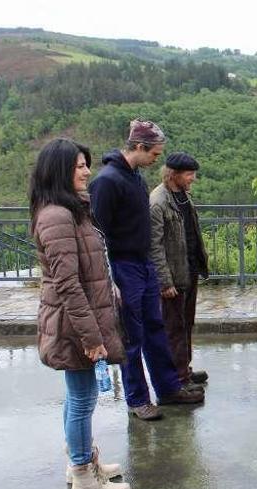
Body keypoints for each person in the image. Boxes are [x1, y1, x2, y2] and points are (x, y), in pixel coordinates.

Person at [29, 138, 131, 489]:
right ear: (59, 171)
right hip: (75, 325)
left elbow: (87, 268)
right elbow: (69, 284)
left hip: (79, 319)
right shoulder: (57, 216)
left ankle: (81, 460)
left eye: (86, 164)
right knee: (83, 399)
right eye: (79, 166)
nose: (87, 171)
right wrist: (92, 339)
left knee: (77, 398)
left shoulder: (71, 209)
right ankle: (84, 477)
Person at [88, 119, 203, 422]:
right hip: (124, 266)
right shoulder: (107, 181)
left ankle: (167, 388)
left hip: (145, 264)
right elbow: (96, 234)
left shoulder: (135, 178)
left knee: (156, 329)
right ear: (139, 147)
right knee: (131, 336)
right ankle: (137, 398)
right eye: (154, 154)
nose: (157, 160)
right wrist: (109, 277)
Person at [149, 152, 210, 390]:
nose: (193, 178)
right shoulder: (158, 202)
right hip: (173, 277)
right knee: (173, 328)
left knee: (186, 324)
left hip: (188, 272)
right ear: (173, 175)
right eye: (189, 174)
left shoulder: (183, 196)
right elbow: (154, 246)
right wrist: (164, 282)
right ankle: (178, 380)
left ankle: (184, 369)